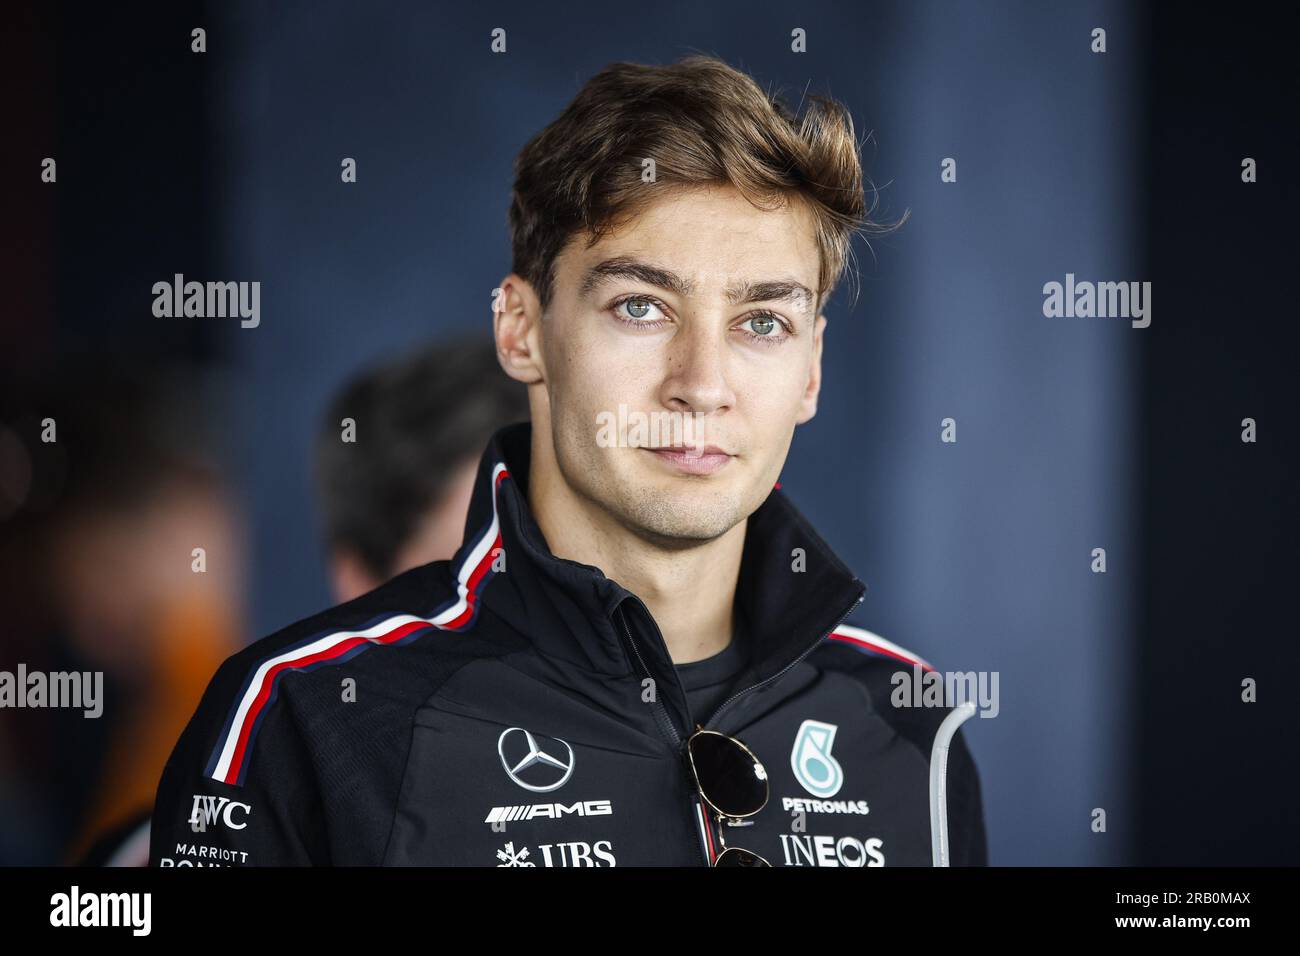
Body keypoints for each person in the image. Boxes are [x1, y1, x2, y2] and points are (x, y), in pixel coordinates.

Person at [149, 53, 987, 867]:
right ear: (521, 331)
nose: (702, 385)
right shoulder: (302, 715)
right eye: (640, 306)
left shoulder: (907, 724)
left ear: (810, 369)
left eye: (762, 321)